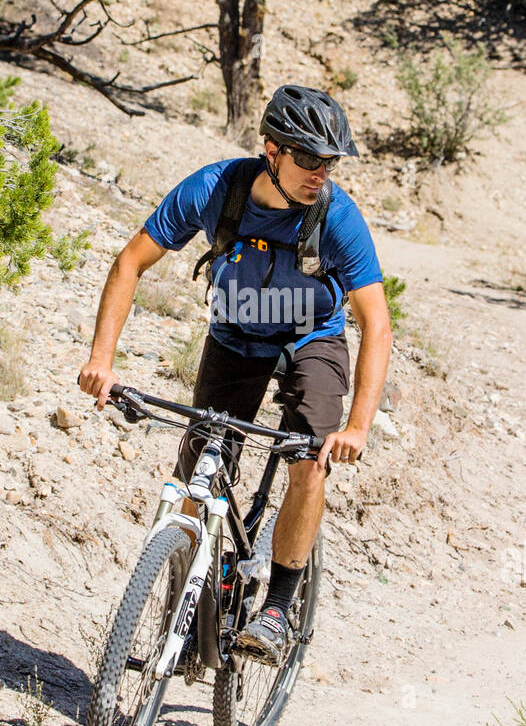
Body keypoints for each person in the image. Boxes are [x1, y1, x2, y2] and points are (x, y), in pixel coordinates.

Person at [78, 84, 392, 665]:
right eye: (307, 159)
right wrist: (101, 359)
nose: (320, 174)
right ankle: (185, 604)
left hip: (311, 340)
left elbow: (376, 323)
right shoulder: (214, 190)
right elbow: (130, 262)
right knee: (198, 467)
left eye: (330, 162)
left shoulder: (338, 217)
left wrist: (357, 427)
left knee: (308, 459)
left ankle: (277, 603)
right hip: (234, 337)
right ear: (271, 151)